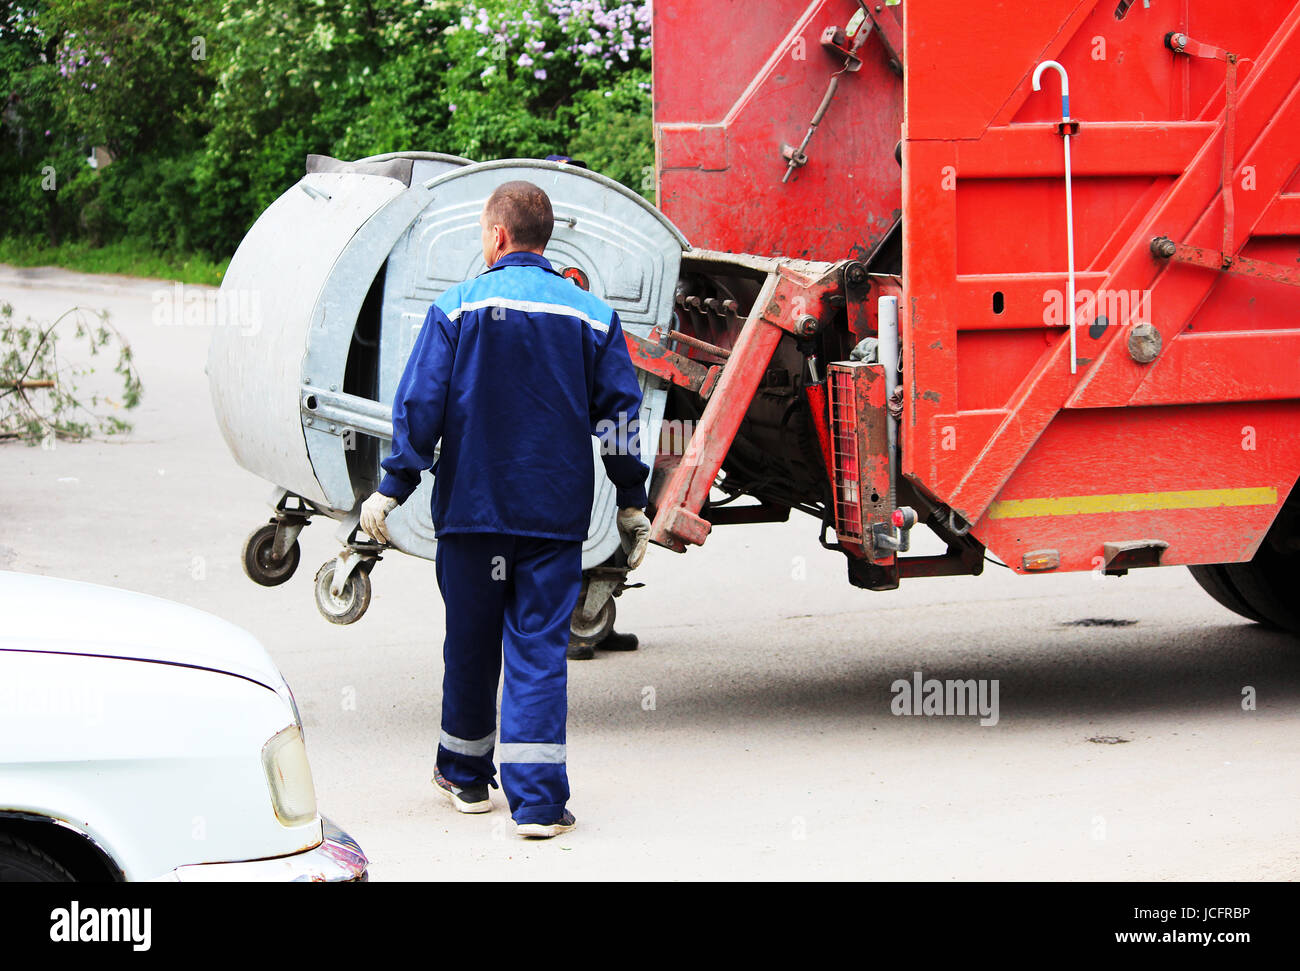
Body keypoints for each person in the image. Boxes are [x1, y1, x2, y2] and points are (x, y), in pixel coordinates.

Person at [359, 180, 652, 839]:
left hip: (471, 514)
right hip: (551, 517)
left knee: (469, 643)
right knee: (538, 650)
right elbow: (622, 420)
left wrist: (392, 487)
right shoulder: (592, 316)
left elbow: (420, 408)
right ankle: (539, 805)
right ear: (545, 240)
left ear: (496, 236)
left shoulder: (455, 307)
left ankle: (465, 778)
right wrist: (631, 499)